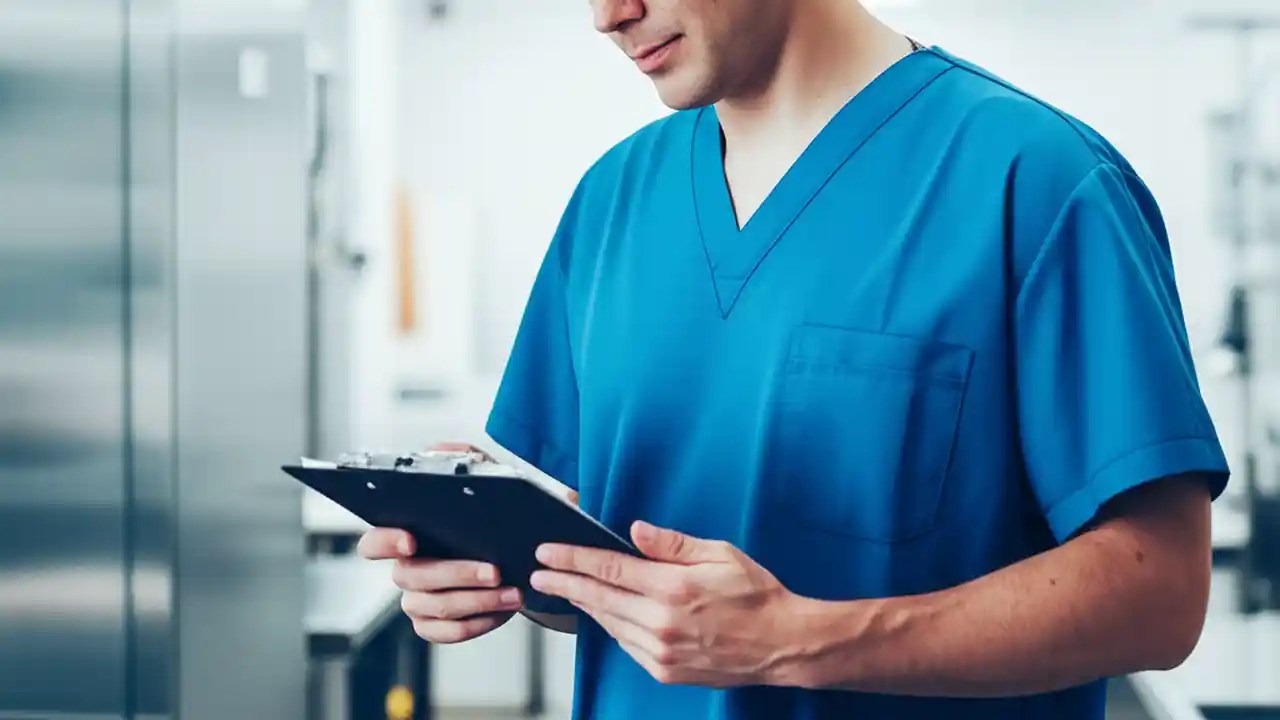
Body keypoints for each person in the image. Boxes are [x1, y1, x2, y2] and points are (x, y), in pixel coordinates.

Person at [358, 1, 1232, 718]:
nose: (608, 15)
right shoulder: (611, 202)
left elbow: (1161, 595)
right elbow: (598, 561)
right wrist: (492, 563)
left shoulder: (1036, 179)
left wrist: (794, 639)